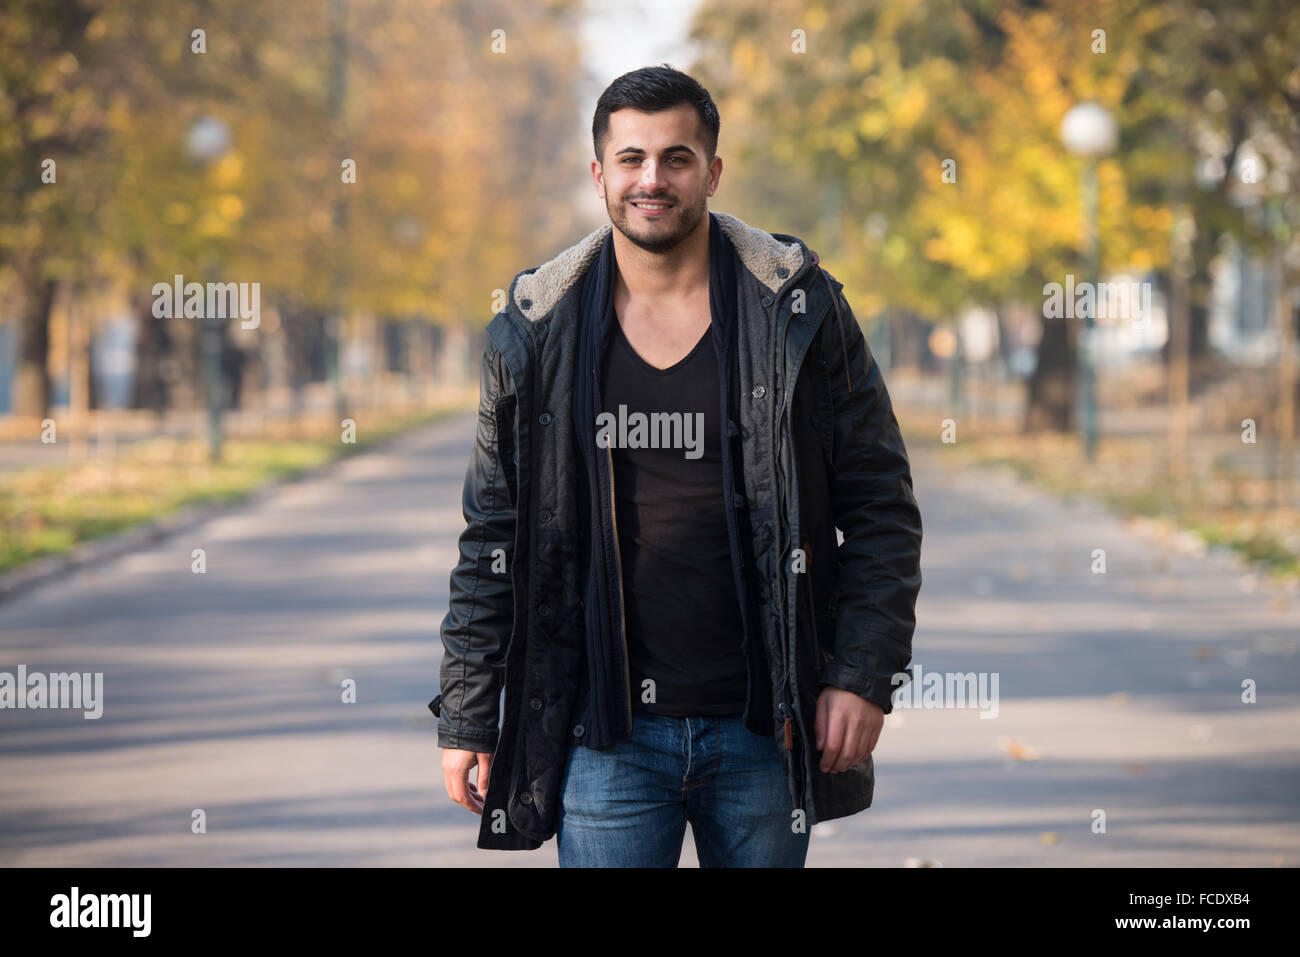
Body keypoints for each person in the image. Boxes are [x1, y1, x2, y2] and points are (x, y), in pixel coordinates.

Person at [431, 64, 923, 867]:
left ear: (713, 171)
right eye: (631, 158)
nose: (651, 178)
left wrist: (863, 674)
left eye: (676, 157)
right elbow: (493, 533)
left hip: (766, 727)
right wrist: (468, 716)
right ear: (599, 174)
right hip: (604, 738)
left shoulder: (798, 308)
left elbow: (879, 504)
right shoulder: (537, 329)